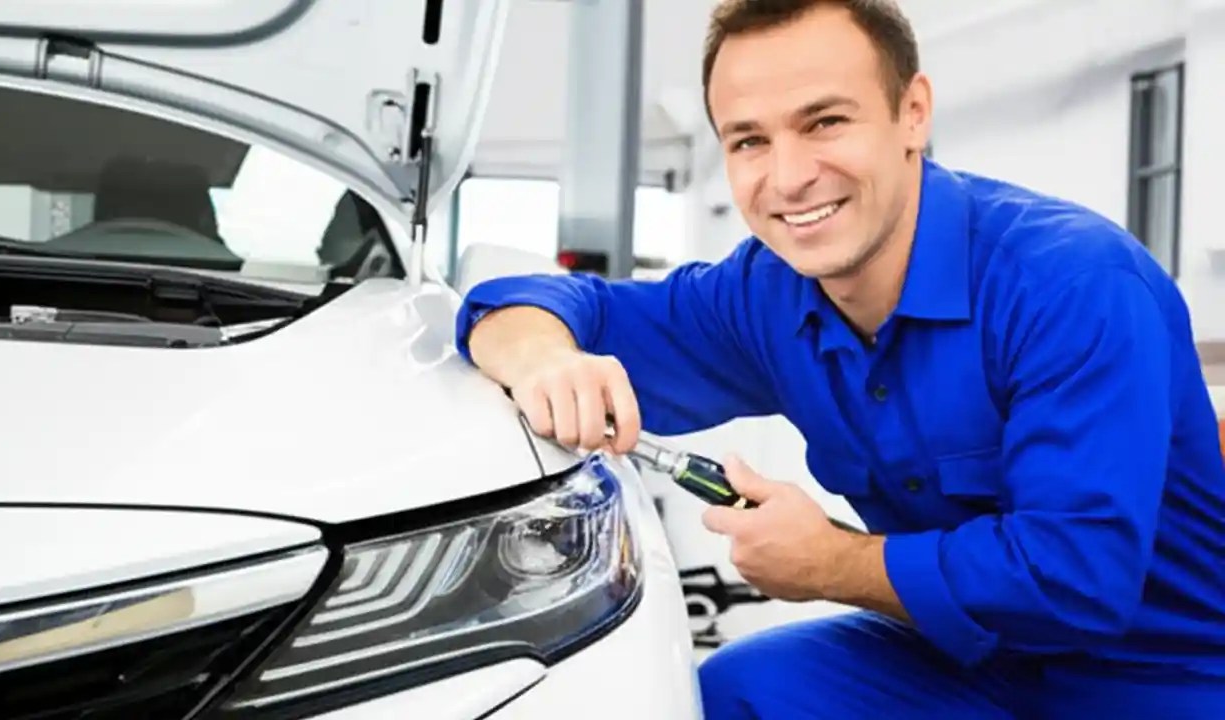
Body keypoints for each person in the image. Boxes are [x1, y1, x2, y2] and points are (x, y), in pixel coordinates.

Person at [454, 0, 1225, 716]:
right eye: (750, 140)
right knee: (736, 694)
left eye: (824, 122)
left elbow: (1076, 579)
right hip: (971, 663)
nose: (787, 178)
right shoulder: (767, 295)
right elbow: (534, 305)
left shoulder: (1071, 286)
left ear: (912, 114)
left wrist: (831, 563)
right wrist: (543, 361)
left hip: (1169, 676)